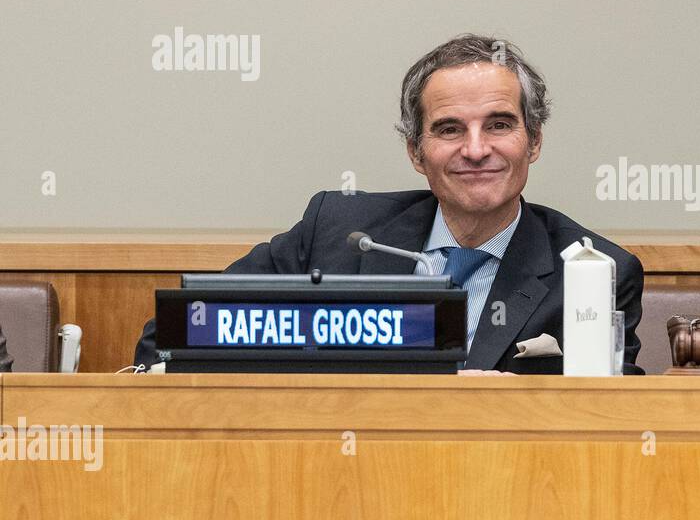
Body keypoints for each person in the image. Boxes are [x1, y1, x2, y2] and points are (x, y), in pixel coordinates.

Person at [133, 34, 644, 374]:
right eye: (449, 129)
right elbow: (176, 334)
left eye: (499, 124)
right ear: (416, 153)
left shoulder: (595, 271)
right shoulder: (334, 230)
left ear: (533, 142)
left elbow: (613, 425)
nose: (475, 148)